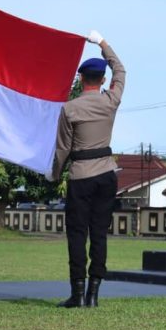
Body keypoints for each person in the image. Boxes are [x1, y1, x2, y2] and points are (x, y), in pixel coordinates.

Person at [51, 31, 125, 308]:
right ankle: (94, 295)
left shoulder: (70, 109)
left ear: (81, 79)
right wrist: (103, 42)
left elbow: (63, 149)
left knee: (77, 234)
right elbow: (121, 69)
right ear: (103, 80)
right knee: (99, 234)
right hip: (106, 175)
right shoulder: (111, 101)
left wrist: (55, 173)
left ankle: (77, 294)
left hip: (81, 175)